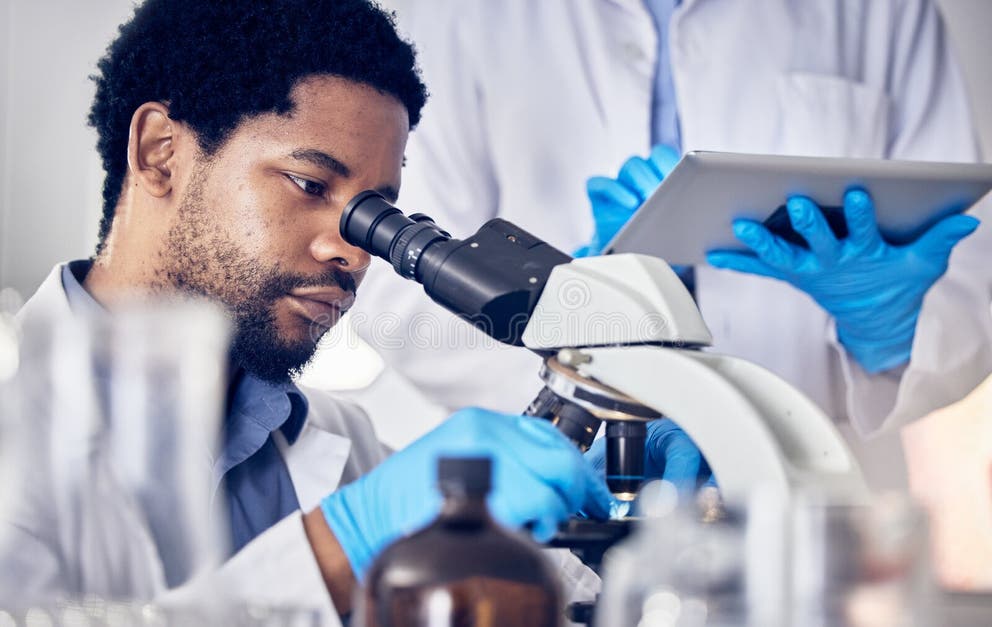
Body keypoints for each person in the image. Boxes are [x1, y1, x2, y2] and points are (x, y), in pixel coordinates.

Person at [0, 0, 704, 620]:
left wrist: (625, 502)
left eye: (376, 214)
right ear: (160, 153)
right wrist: (337, 544)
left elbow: (521, 588)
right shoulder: (15, 432)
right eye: (310, 182)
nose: (355, 251)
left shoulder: (335, 442)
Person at [351, 0, 992, 445]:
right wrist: (570, 346)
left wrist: (894, 328)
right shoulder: (455, 14)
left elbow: (970, 260)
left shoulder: (885, 11)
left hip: (800, 486)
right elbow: (391, 285)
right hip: (540, 475)